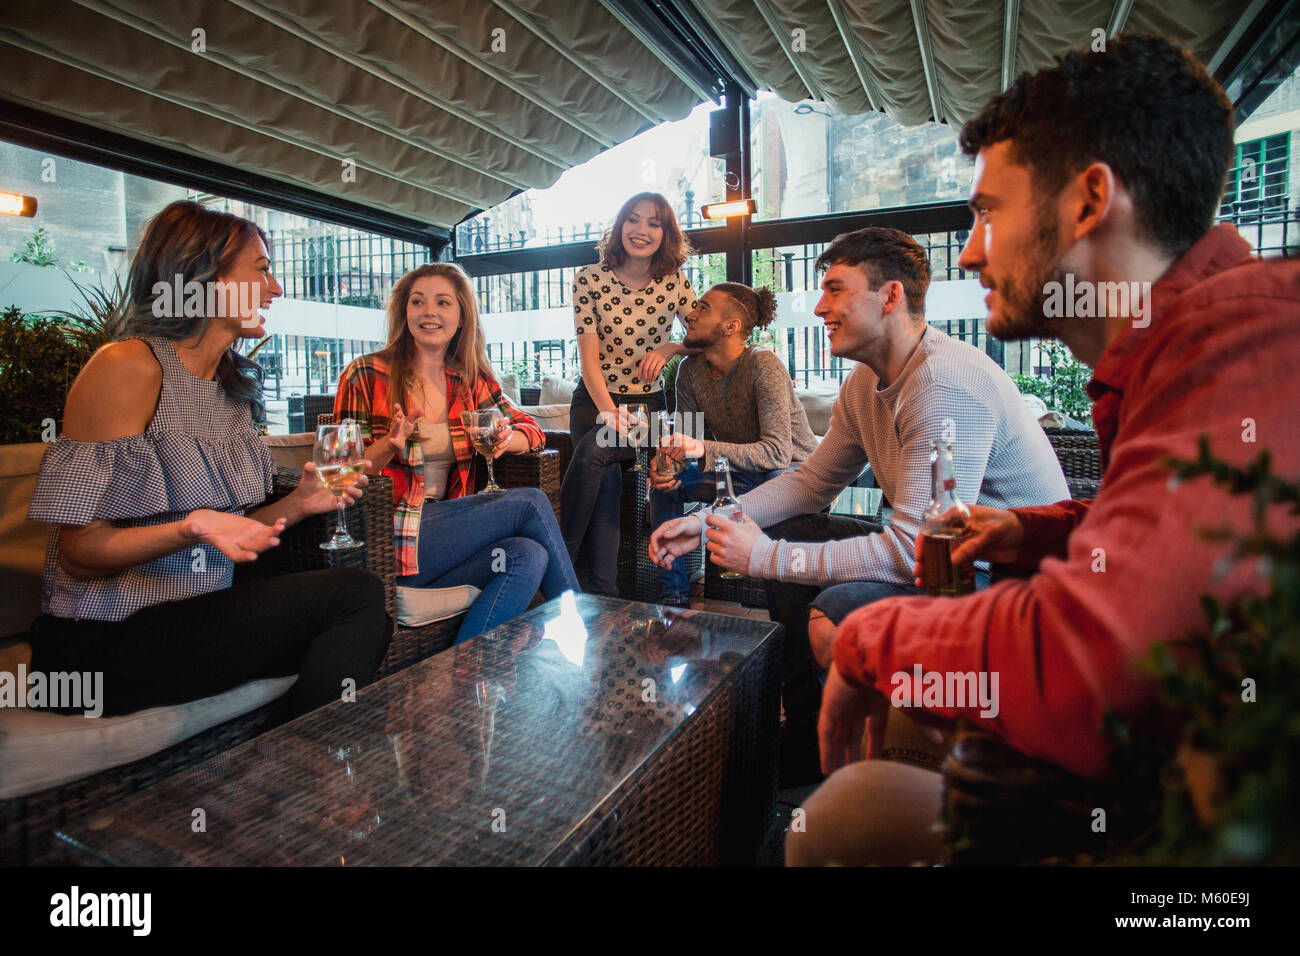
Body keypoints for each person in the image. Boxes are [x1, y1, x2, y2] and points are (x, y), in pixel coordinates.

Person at [786, 34, 1300, 867]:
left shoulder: (1239, 335)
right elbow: (1175, 541)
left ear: (1090, 201)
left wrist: (874, 642)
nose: (969, 250)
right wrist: (1036, 530)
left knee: (843, 821)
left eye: (989, 211)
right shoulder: (1189, 342)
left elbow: (1095, 661)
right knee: (854, 813)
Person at [650, 226, 1068, 785]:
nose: (820, 307)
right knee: (797, 525)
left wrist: (765, 557)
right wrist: (705, 524)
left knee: (836, 605)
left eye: (835, 290)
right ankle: (803, 741)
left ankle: (881, 769)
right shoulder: (864, 382)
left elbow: (912, 554)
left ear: (889, 296)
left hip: (1001, 581)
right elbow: (810, 482)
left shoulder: (943, 383)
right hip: (937, 558)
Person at [0, 200, 390, 722]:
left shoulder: (229, 389)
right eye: (262, 269)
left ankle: (293, 773)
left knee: (371, 616)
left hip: (192, 614)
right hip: (102, 641)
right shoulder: (128, 367)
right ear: (203, 276)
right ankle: (314, 773)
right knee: (356, 599)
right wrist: (187, 529)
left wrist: (298, 503)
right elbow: (79, 551)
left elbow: (228, 533)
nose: (276, 289)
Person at [334, 263, 579, 645]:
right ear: (405, 312)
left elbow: (531, 429)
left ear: (461, 316)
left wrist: (503, 438)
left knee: (527, 554)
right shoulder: (365, 374)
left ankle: (469, 677)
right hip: (391, 536)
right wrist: (389, 445)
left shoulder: (468, 379)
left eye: (443, 302)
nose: (429, 312)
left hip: (446, 537)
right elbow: (342, 474)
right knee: (529, 503)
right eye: (418, 302)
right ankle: (583, 631)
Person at [559, 193, 698, 595]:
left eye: (654, 223)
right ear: (620, 227)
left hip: (647, 406)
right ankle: (604, 593)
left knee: (594, 453)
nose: (642, 230)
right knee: (604, 479)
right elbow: (589, 359)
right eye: (633, 220)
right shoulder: (589, 278)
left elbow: (701, 335)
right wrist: (607, 412)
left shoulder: (674, 282)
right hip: (594, 401)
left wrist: (669, 348)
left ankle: (559, 565)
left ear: (666, 233)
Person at [648, 282, 817, 605]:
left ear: (731, 326)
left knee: (771, 479)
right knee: (667, 485)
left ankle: (774, 601)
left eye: (702, 308)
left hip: (789, 471)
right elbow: (686, 441)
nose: (690, 315)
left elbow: (777, 452)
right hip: (734, 471)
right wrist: (669, 465)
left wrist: (702, 448)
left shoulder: (762, 365)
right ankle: (673, 596)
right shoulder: (689, 370)